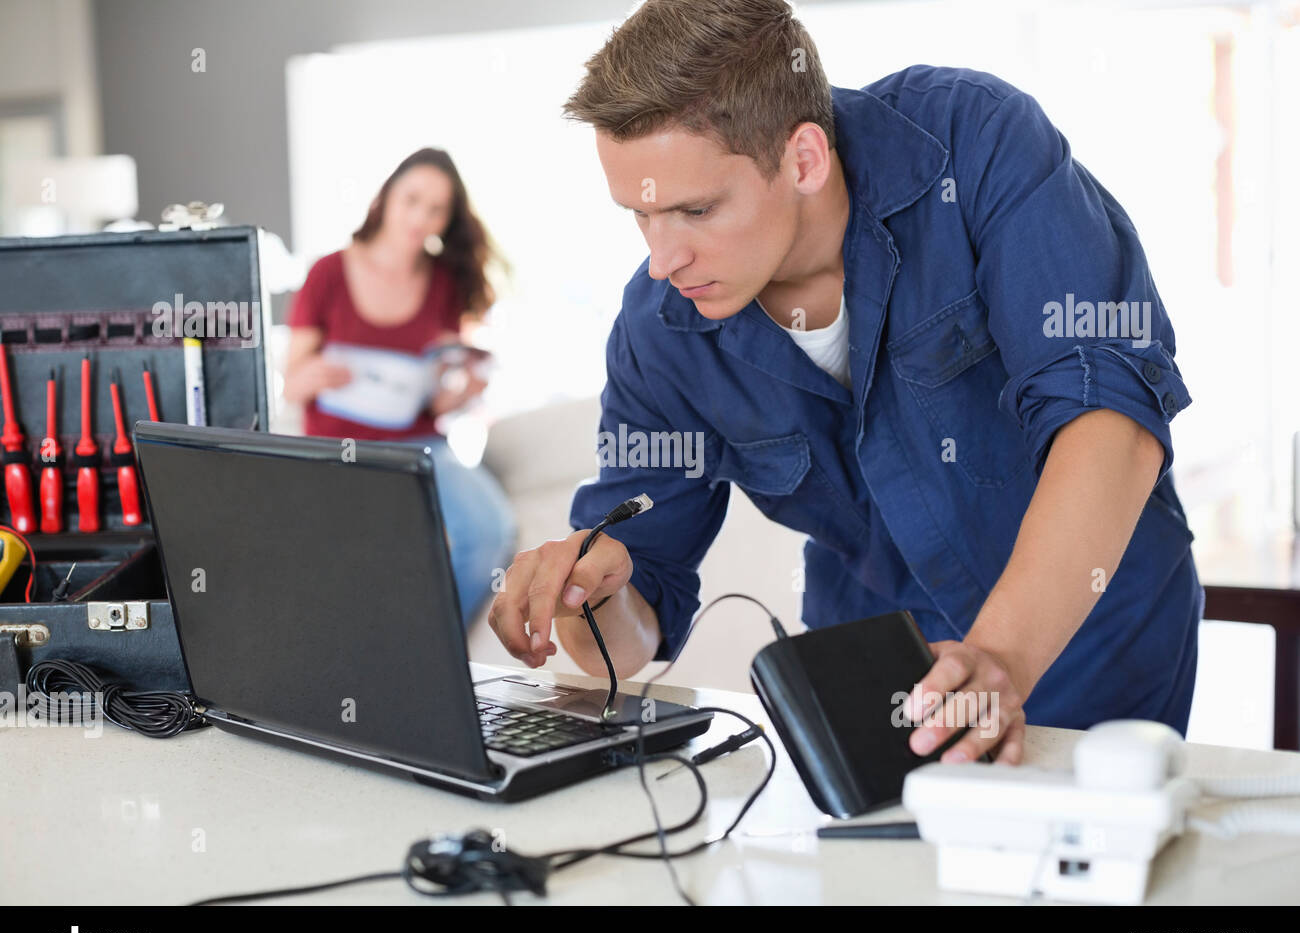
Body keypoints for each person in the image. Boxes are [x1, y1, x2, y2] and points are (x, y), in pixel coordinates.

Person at [487, 0, 1205, 767]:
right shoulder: (659, 330)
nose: (664, 259)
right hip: (876, 672)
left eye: (696, 210)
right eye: (640, 215)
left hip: (1092, 634)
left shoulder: (975, 144)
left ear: (803, 159)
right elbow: (628, 639)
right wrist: (590, 604)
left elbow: (1110, 419)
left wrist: (998, 659)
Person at [285, 148, 516, 627]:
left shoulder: (447, 284)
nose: (420, 217)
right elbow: (292, 383)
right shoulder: (327, 273)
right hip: (336, 450)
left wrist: (465, 388)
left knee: (489, 530)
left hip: (420, 447)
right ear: (386, 197)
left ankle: (425, 644)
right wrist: (315, 374)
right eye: (411, 199)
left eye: (436, 209)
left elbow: (436, 401)